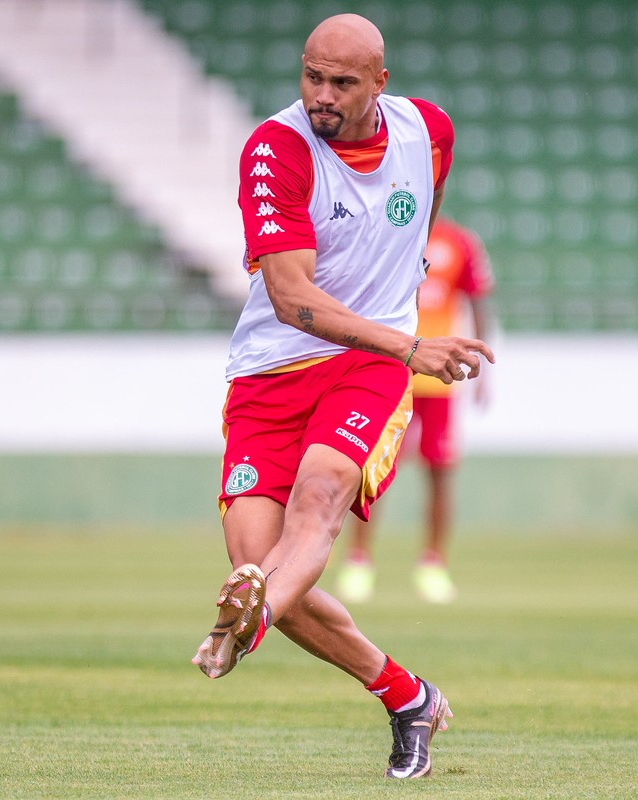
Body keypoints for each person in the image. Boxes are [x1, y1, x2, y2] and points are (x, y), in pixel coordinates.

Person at [189, 14, 493, 780]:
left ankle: (240, 631)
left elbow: (416, 218)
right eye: (310, 76)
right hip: (268, 373)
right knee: (260, 569)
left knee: (318, 502)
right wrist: (414, 343)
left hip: (365, 366)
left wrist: (401, 338)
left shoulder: (429, 132)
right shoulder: (275, 150)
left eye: (342, 83)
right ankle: (407, 696)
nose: (321, 96)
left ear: (380, 84)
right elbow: (293, 299)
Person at [337, 216, 495, 605]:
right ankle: (359, 562)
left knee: (440, 471)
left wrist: (485, 374)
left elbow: (477, 302)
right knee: (372, 471)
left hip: (441, 380)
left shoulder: (459, 241)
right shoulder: (388, 227)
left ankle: (433, 564)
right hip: (393, 373)